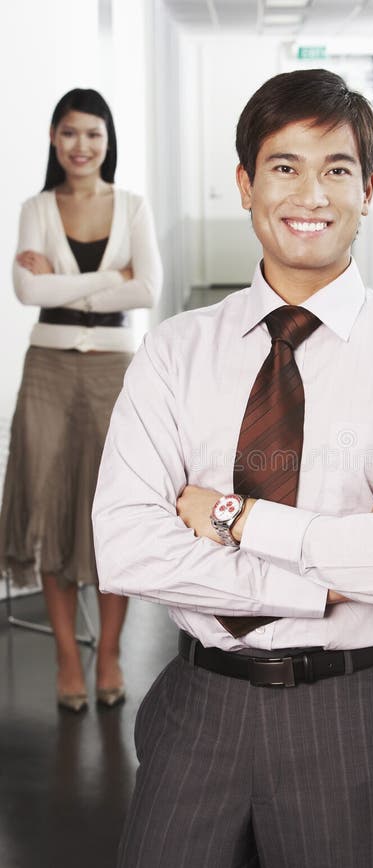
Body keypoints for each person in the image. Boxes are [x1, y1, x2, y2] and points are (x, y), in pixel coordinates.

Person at [93, 69, 373, 868]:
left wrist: (235, 519)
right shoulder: (175, 353)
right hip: (201, 705)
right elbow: (127, 550)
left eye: (337, 168)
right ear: (245, 184)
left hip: (350, 715)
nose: (311, 192)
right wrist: (340, 578)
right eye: (284, 166)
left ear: (368, 189)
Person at [0, 88, 162, 714]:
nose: (81, 146)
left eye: (93, 134)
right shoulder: (36, 207)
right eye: (69, 133)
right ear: (53, 138)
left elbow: (148, 287)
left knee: (111, 509)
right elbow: (25, 287)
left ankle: (111, 652)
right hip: (46, 367)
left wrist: (67, 287)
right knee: (46, 502)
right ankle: (69, 657)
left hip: (116, 372)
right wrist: (109, 280)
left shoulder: (133, 206)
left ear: (107, 140)